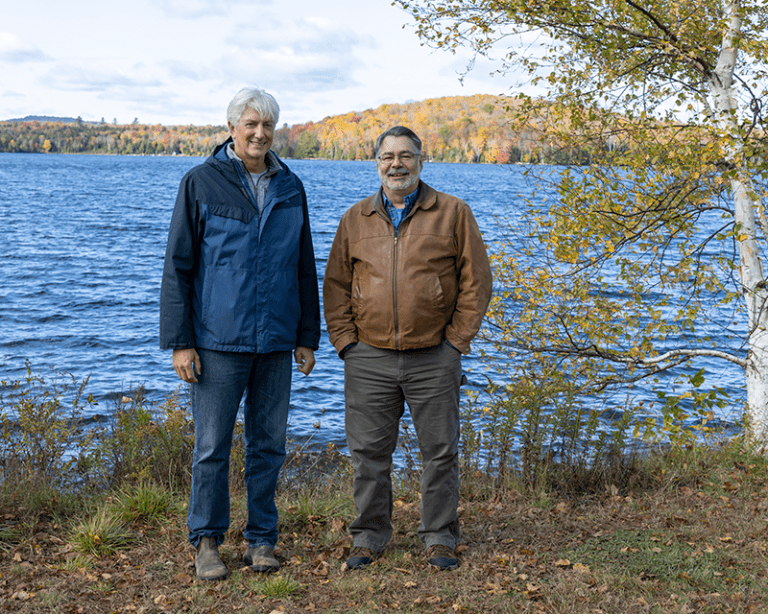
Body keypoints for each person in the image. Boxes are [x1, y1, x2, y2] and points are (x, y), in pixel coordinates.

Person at [160, 87, 320, 581]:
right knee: (211, 446)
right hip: (217, 342)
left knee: (268, 444)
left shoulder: (291, 187)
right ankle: (206, 542)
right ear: (232, 128)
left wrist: (307, 336)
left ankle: (261, 540)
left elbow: (303, 266)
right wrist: (180, 341)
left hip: (275, 343)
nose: (259, 133)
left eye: (267, 126)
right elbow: (178, 267)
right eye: (250, 124)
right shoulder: (201, 183)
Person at [323, 125, 492, 571]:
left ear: (421, 160)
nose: (396, 164)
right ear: (376, 163)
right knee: (368, 454)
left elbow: (477, 283)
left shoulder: (453, 213)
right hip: (369, 357)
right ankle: (369, 537)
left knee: (440, 452)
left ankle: (439, 538)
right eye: (387, 156)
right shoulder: (355, 218)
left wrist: (456, 342)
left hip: (434, 356)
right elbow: (336, 286)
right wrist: (346, 343)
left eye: (405, 155)